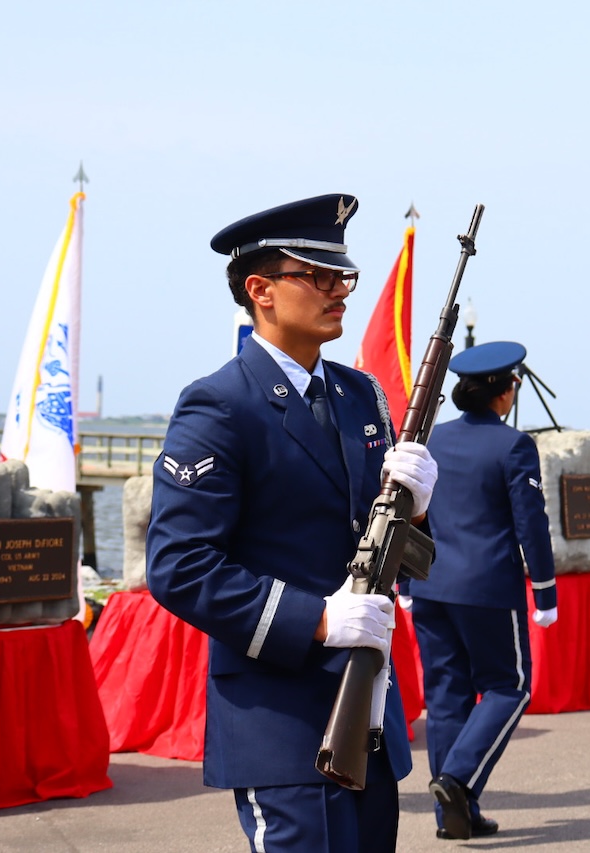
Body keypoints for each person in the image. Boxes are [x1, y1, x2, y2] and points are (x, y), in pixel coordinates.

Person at [146, 193, 438, 853]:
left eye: (344, 277)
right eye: (318, 275)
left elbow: (398, 548)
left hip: (367, 716)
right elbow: (179, 566)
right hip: (279, 724)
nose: (340, 291)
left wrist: (419, 507)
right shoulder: (221, 405)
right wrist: (317, 618)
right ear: (261, 290)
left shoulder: (360, 396)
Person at [401, 340, 559, 840]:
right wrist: (546, 591)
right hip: (488, 589)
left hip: (431, 584)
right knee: (508, 688)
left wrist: (406, 579)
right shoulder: (514, 446)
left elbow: (410, 509)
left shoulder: (433, 441)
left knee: (446, 697)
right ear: (503, 393)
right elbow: (530, 525)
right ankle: (457, 780)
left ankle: (456, 816)